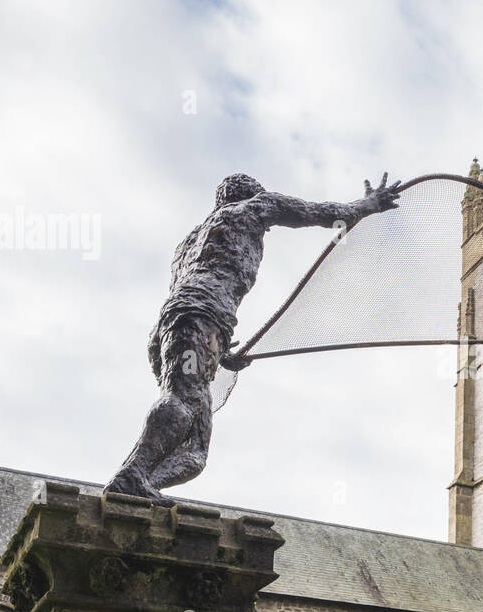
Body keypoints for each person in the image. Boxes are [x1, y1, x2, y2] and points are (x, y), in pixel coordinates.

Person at [104, 171, 402, 503]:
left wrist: (219, 349)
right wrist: (369, 205)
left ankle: (143, 485)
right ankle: (132, 475)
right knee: (182, 402)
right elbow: (319, 213)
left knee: (196, 452)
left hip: (177, 329)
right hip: (197, 318)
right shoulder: (255, 207)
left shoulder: (188, 242)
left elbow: (190, 291)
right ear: (252, 194)